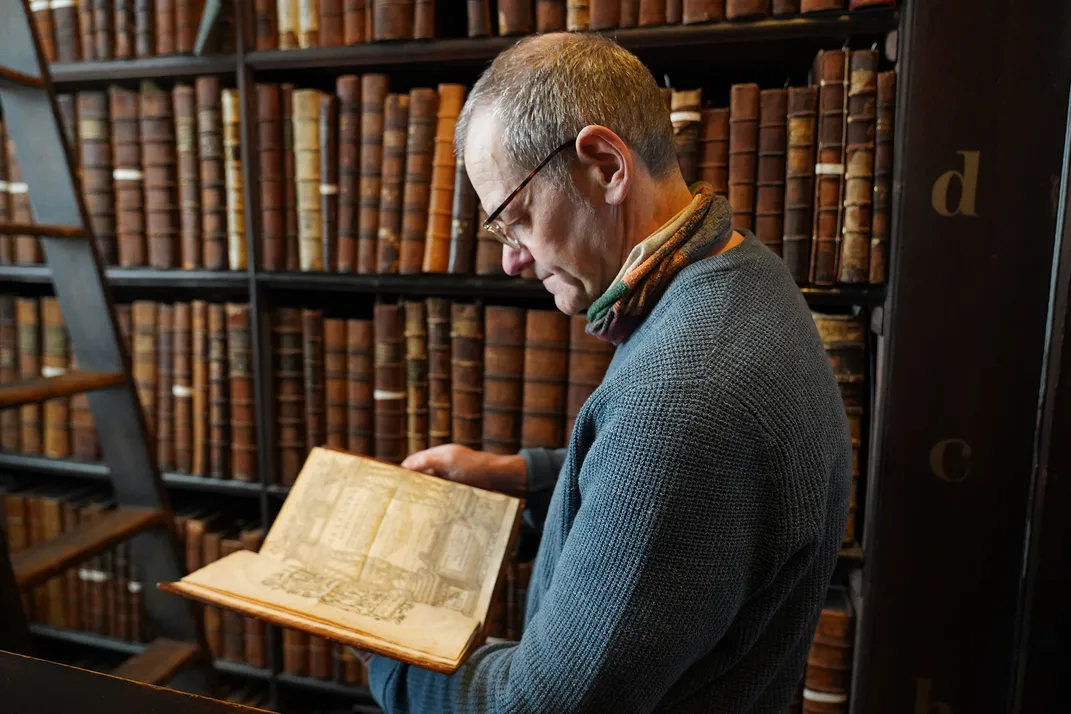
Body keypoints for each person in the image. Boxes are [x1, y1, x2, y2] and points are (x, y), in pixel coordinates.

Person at [364, 32, 852, 713]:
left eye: (515, 219)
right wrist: (521, 478)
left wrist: (376, 639)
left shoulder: (682, 396)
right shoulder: (741, 269)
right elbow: (692, 508)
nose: (512, 260)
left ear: (605, 166)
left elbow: (535, 707)